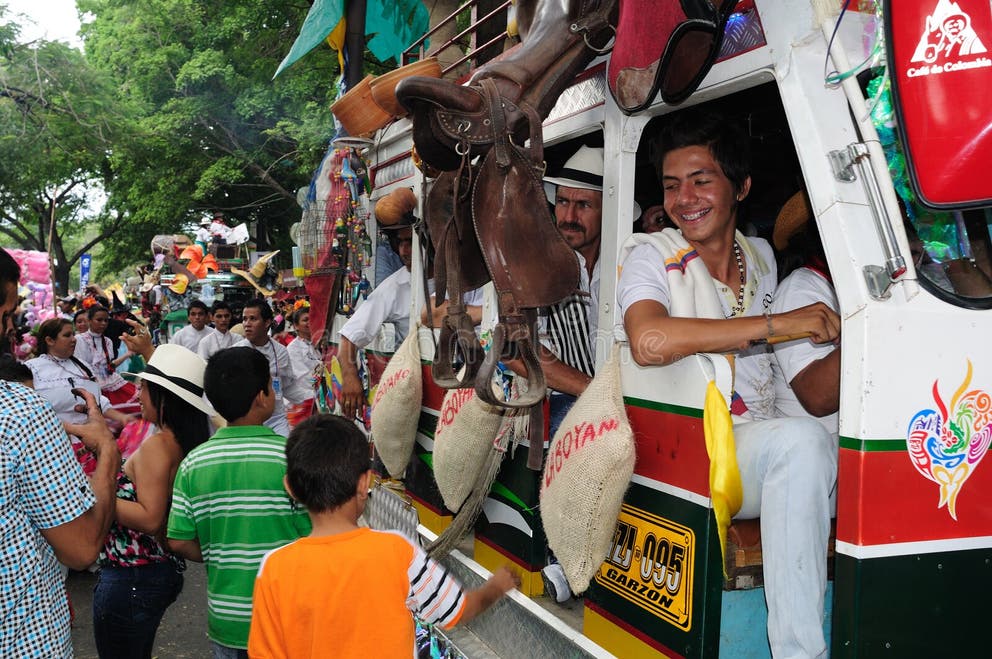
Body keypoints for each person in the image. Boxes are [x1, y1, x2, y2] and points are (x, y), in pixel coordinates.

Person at [617, 111, 839, 658]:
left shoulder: (760, 256)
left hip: (753, 450)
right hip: (689, 449)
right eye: (671, 186)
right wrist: (777, 326)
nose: (683, 198)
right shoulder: (650, 255)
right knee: (802, 444)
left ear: (740, 187)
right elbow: (647, 340)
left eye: (701, 180)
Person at [247, 414, 519, 658]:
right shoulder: (396, 551)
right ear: (365, 483)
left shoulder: (274, 568)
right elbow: (457, 611)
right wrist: (495, 587)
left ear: (291, 488)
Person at [0, 246, 120, 658]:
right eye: (8, 315)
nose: (12, 329)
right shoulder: (17, 408)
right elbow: (83, 546)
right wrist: (107, 455)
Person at [166, 347, 310, 658]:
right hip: (285, 617)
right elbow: (311, 533)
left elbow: (178, 540)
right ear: (262, 396)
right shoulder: (292, 457)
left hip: (227, 620)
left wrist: (217, 552)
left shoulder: (194, 462)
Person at [92, 345, 213, 658]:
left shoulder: (159, 446)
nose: (137, 393)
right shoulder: (183, 443)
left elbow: (150, 518)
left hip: (134, 576)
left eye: (144, 387)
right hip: (151, 574)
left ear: (164, 396)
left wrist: (96, 492)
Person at [770, 191, 841, 433]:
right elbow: (817, 398)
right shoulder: (801, 290)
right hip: (820, 451)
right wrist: (873, 328)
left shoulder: (847, 288)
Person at [27, 319, 135, 470]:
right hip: (55, 448)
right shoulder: (33, 369)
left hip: (90, 444)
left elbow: (97, 401)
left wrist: (122, 417)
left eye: (73, 334)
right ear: (49, 340)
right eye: (67, 335)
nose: (73, 339)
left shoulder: (82, 366)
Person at [232, 299, 310, 436]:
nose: (247, 324)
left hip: (276, 419)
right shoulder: (235, 352)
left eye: (253, 319)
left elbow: (287, 386)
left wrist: (311, 398)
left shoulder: (280, 351)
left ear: (267, 322)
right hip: (246, 420)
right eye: (244, 319)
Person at [74, 305, 139, 408]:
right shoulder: (79, 339)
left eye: (106, 320)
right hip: (92, 387)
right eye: (99, 320)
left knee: (137, 404)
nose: (103, 323)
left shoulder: (108, 341)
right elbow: (81, 367)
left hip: (111, 382)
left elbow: (109, 367)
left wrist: (128, 354)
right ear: (89, 321)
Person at [285, 305, 320, 427]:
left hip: (317, 397)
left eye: (311, 318)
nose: (309, 322)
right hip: (304, 400)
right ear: (296, 326)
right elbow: (303, 378)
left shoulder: (319, 343)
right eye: (305, 320)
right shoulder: (293, 349)